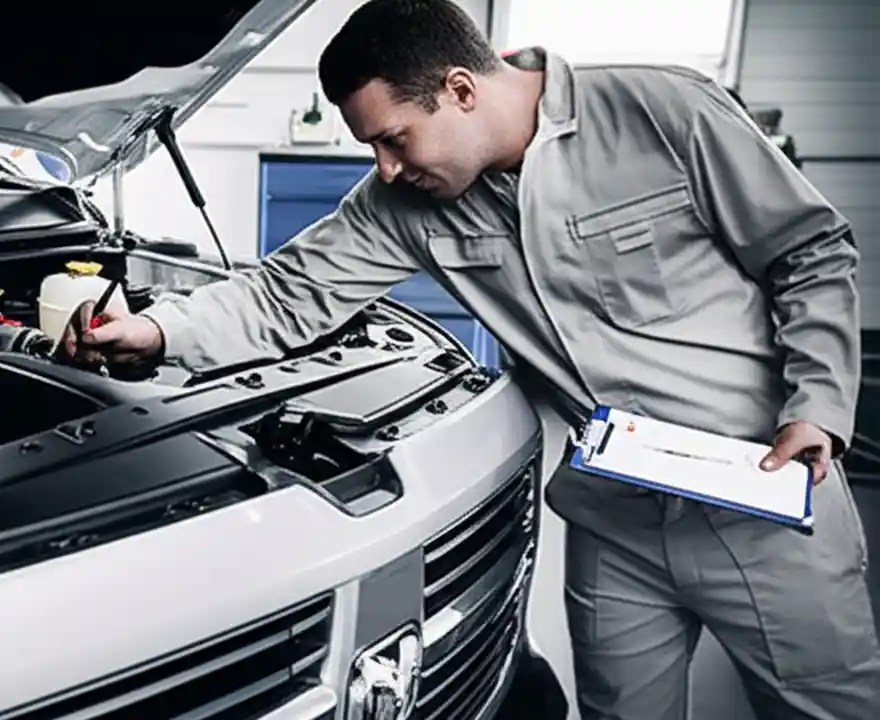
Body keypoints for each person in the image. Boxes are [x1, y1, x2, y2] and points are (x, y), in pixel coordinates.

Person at [57, 1, 878, 717]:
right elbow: (286, 294)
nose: (386, 167)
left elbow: (808, 252)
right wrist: (155, 331)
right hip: (614, 519)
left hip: (763, 500)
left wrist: (816, 405)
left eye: (394, 139)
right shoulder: (404, 202)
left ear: (459, 89)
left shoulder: (663, 111)